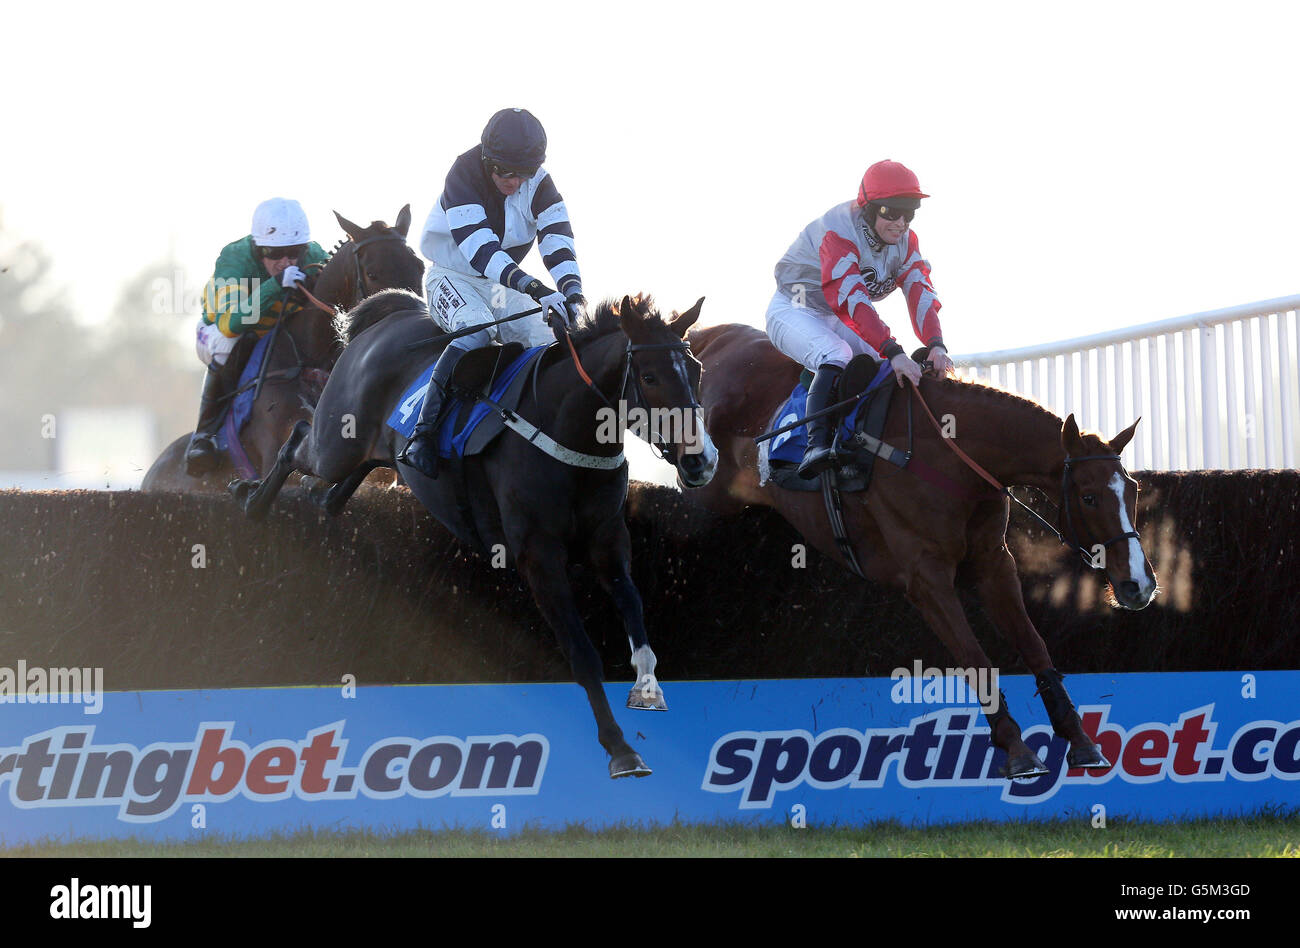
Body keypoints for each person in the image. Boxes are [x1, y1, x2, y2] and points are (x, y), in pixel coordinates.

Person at [397, 107, 586, 479]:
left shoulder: (542, 185)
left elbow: (558, 242)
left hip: (501, 284)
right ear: (487, 160)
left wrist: (572, 293)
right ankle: (423, 434)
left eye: (524, 173)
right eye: (505, 171)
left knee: (549, 339)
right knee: (476, 330)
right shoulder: (463, 173)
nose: (515, 182)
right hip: (451, 276)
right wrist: (536, 288)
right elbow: (482, 252)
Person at [767, 159, 955, 479]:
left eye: (908, 213)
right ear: (868, 209)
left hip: (833, 311)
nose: (900, 223)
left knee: (877, 363)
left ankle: (861, 441)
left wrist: (936, 344)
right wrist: (894, 351)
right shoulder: (838, 233)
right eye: (890, 212)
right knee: (837, 354)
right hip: (794, 308)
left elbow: (920, 291)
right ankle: (816, 445)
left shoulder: (907, 241)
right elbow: (853, 301)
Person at [186, 197, 329, 475]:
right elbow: (231, 323)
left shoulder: (314, 256)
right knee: (229, 342)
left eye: (295, 252)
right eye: (275, 254)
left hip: (279, 331)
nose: (286, 261)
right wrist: (275, 285)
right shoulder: (234, 259)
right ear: (257, 247)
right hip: (220, 333)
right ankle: (204, 436)